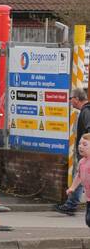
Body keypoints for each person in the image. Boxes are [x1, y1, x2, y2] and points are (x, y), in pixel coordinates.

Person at [55, 87, 90, 215]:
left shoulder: (86, 111)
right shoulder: (85, 110)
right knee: (81, 175)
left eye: (71, 98)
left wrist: (84, 147)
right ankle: (71, 204)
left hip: (87, 154)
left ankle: (71, 204)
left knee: (81, 174)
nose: (70, 101)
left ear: (76, 99)